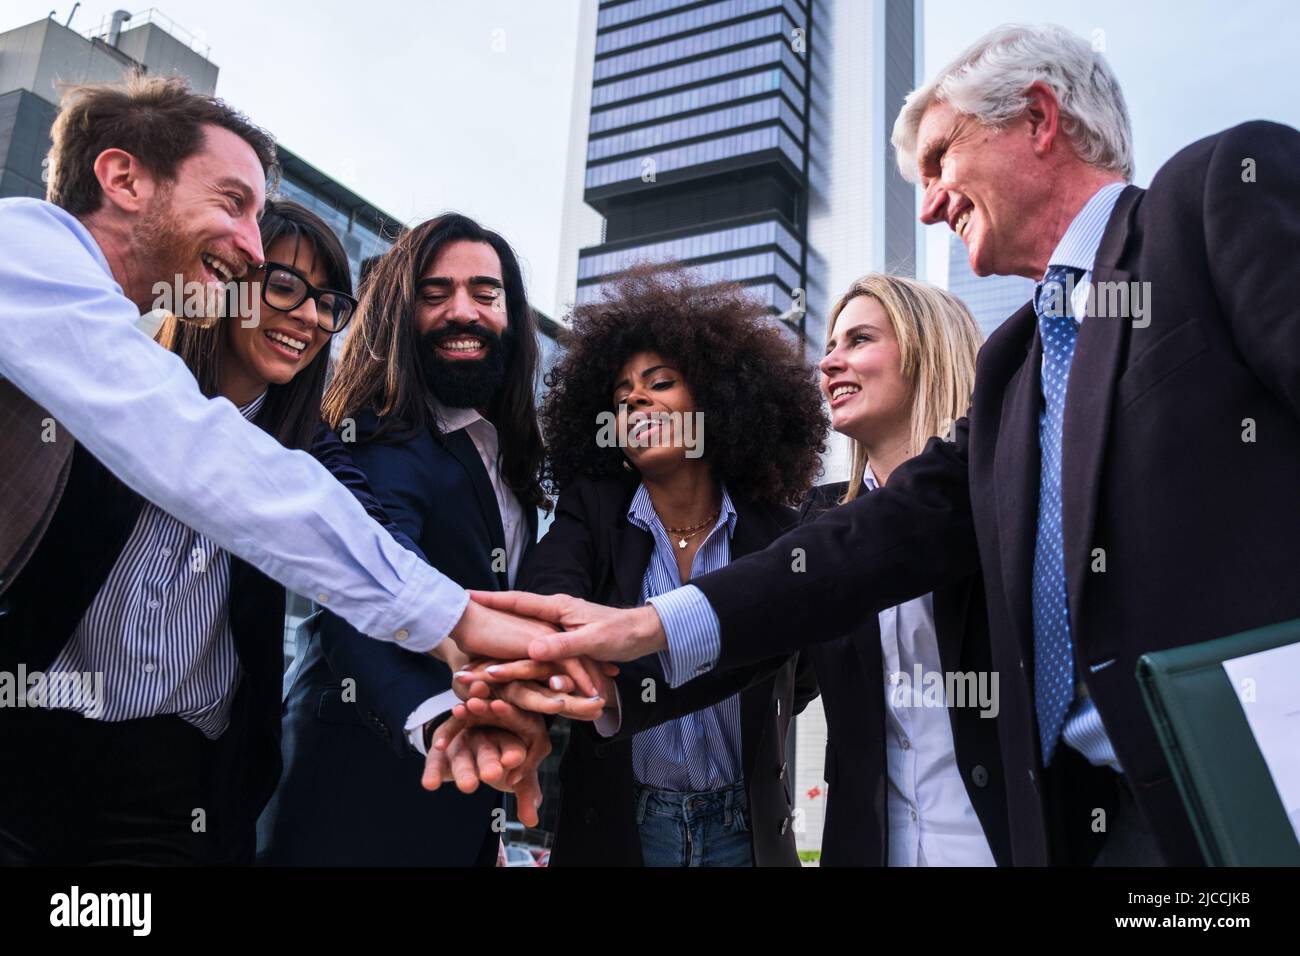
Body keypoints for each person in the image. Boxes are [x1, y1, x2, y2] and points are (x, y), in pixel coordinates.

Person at [473, 23, 1300, 867]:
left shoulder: (1209, 201)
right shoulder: (1017, 366)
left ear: (1040, 119)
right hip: (1116, 821)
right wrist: (645, 626)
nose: (932, 202)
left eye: (941, 159)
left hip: (1262, 780)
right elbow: (865, 546)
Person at [0, 72, 556, 674]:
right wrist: (456, 618)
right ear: (123, 179)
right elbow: (199, 449)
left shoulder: (303, 433)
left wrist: (456, 645)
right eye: (233, 203)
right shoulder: (24, 250)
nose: (254, 249)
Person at [0, 199, 387, 863]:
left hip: (176, 786)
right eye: (285, 285)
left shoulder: (308, 449)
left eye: (327, 302)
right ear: (227, 283)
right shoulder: (120, 383)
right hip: (30, 741)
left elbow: (367, 537)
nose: (309, 316)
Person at [257, 214, 586, 866]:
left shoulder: (505, 459)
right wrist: (439, 719)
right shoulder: (376, 436)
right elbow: (356, 600)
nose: (462, 312)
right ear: (397, 316)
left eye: (485, 294)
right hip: (351, 809)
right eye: (434, 295)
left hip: (459, 807)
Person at [476, 267, 824, 866]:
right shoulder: (592, 510)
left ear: (715, 399)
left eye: (660, 382)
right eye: (621, 395)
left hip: (749, 831)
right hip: (622, 824)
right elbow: (550, 601)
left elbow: (798, 670)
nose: (635, 397)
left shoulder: (780, 530)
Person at [808, 273, 1008, 866]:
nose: (829, 365)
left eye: (858, 340)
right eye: (829, 347)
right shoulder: (817, 519)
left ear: (929, 351)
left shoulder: (1004, 495)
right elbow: (753, 635)